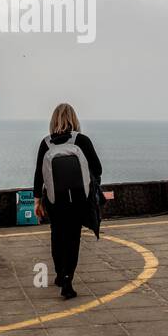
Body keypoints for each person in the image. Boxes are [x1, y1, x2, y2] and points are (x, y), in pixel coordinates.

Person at [33, 103, 103, 300]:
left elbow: (39, 175)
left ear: (53, 120)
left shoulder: (45, 143)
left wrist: (37, 201)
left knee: (57, 234)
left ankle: (58, 273)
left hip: (55, 200)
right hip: (79, 199)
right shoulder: (82, 140)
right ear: (74, 119)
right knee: (73, 238)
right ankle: (67, 280)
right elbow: (97, 168)